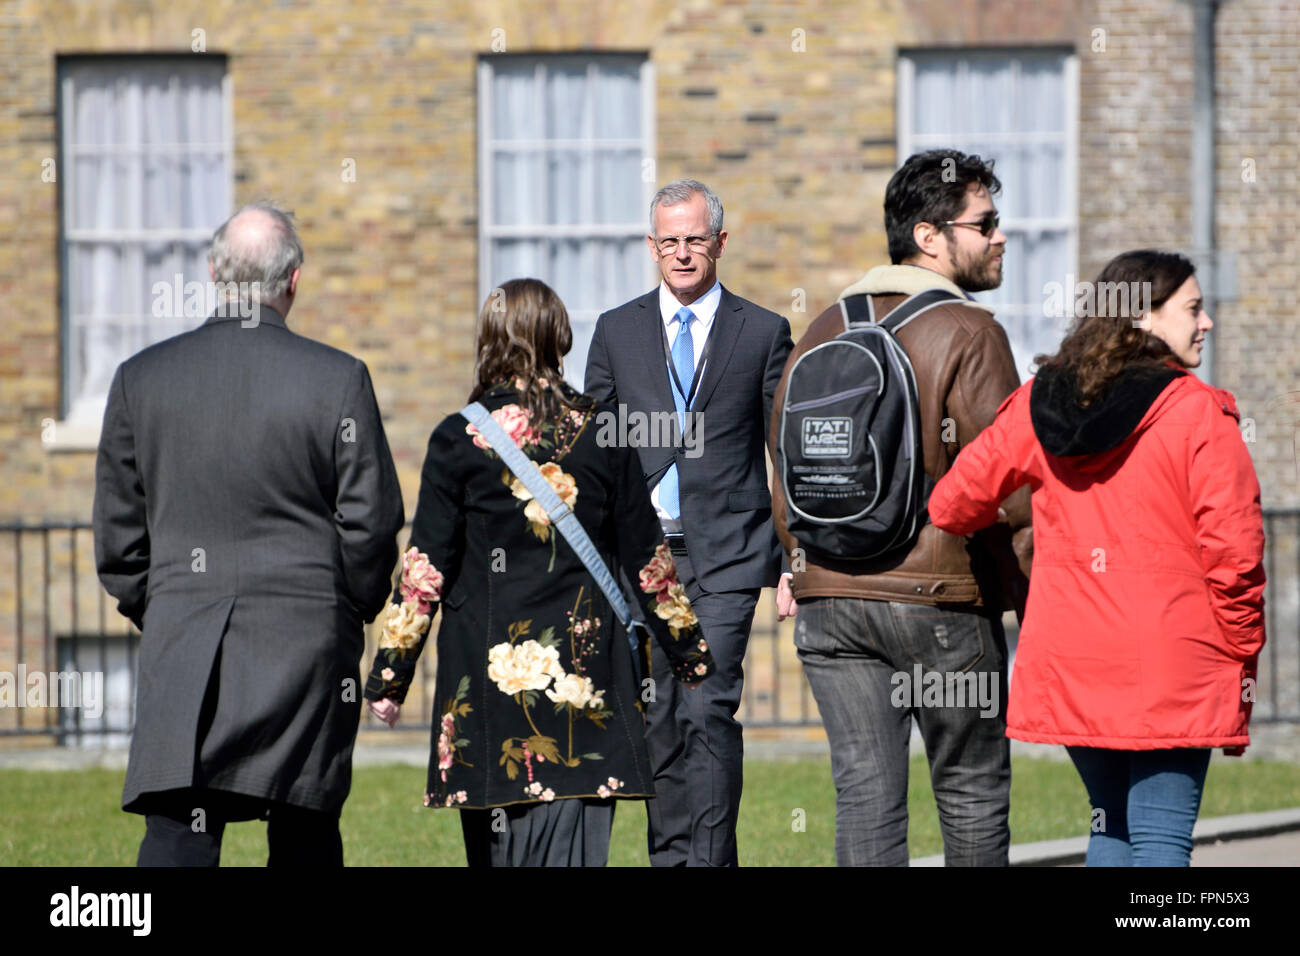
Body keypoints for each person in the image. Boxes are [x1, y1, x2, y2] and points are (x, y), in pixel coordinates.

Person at [928, 250, 1265, 867]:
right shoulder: (1198, 413)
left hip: (1074, 656)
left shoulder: (1040, 403)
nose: (1207, 321)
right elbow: (1236, 554)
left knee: (1110, 827)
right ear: (1142, 316)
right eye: (1192, 308)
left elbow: (952, 503)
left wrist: (1024, 516)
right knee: (1160, 838)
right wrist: (1242, 648)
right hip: (1174, 658)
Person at [93, 202, 405, 866]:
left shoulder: (141, 380)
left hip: (186, 646)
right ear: (293, 282)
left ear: (212, 273)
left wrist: (169, 606)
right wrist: (345, 608)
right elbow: (372, 527)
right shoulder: (339, 379)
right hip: (306, 648)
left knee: (179, 835)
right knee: (303, 837)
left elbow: (119, 541)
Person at [364, 278, 714, 867]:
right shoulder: (605, 428)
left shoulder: (458, 438)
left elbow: (424, 571)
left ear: (489, 339)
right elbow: (649, 560)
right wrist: (690, 654)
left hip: (485, 685)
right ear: (560, 338)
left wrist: (390, 677)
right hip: (584, 681)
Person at [770, 149, 1033, 866]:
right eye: (985, 224)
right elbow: (1014, 487)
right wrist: (1041, 601)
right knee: (971, 790)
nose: (1001, 236)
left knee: (864, 797)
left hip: (830, 602)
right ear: (929, 236)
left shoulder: (820, 330)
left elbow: (785, 466)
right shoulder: (971, 331)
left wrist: (800, 568)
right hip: (941, 604)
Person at [584, 179, 792, 867]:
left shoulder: (762, 331)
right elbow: (596, 453)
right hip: (640, 556)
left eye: (694, 239)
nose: (681, 253)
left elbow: (783, 454)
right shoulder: (616, 330)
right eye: (668, 241)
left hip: (727, 555)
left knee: (706, 710)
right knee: (659, 722)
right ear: (651, 247)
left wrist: (797, 558)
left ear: (719, 243)